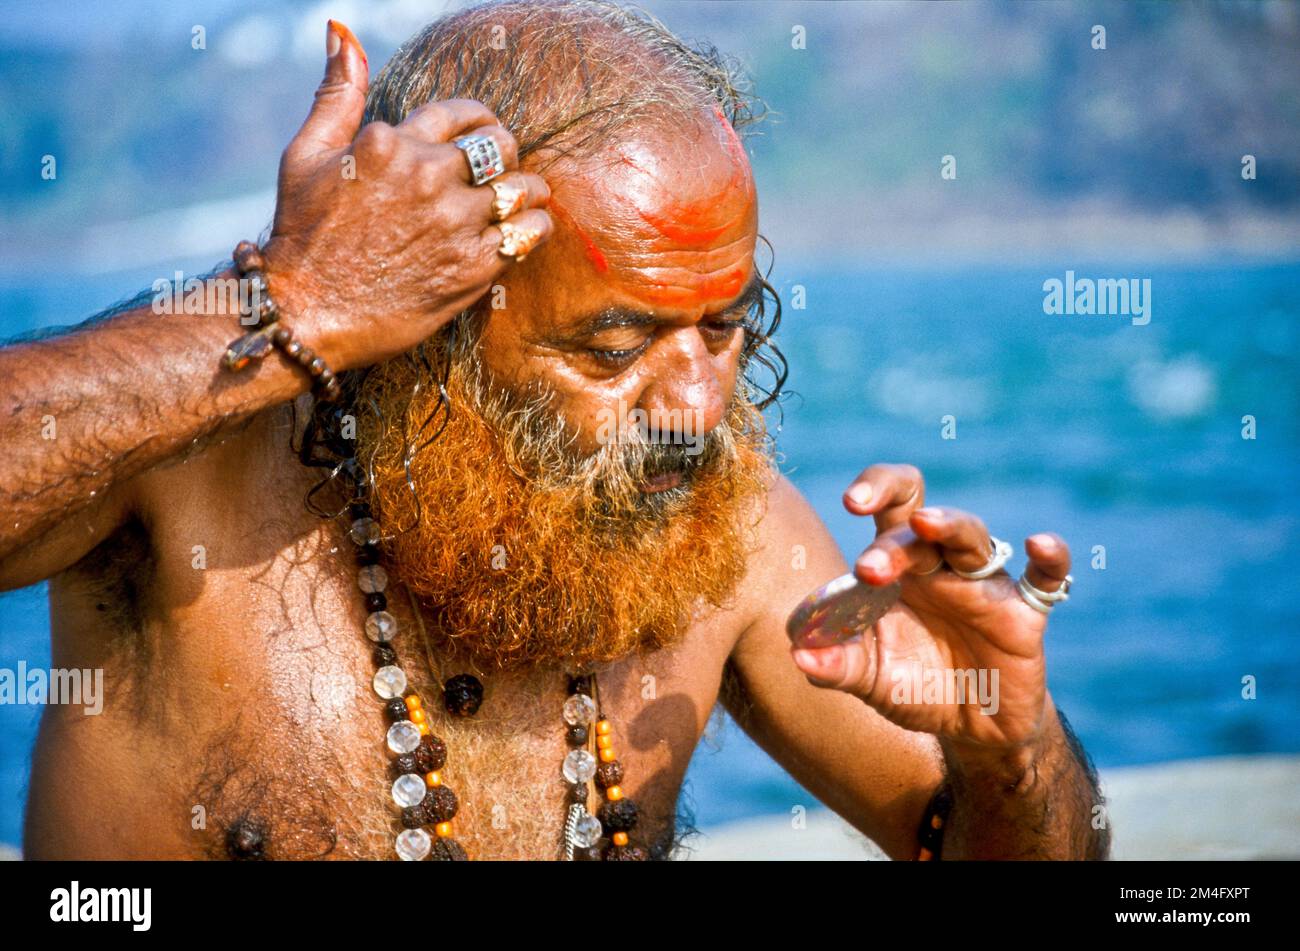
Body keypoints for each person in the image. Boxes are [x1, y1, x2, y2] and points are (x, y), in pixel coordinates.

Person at [0, 0, 1108, 861]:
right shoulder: (185, 476)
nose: (696, 410)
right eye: (613, 349)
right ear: (423, 323)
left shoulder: (727, 528)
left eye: (724, 329)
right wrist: (289, 310)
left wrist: (1007, 749)